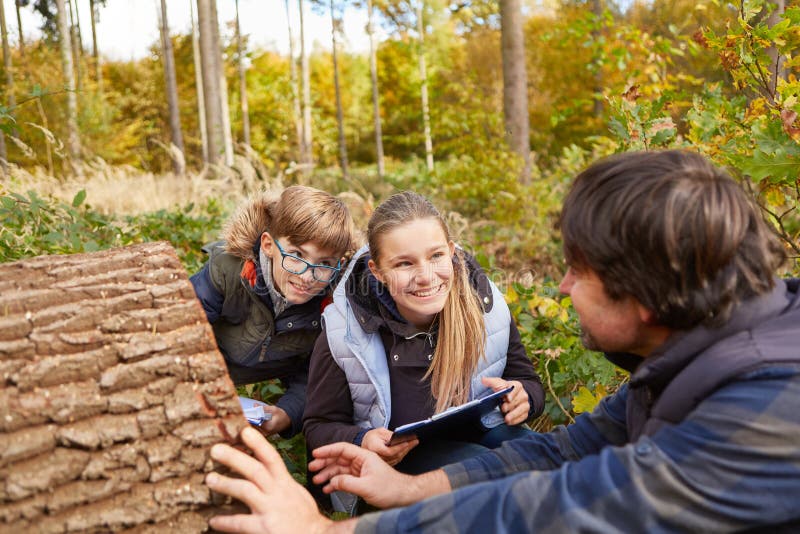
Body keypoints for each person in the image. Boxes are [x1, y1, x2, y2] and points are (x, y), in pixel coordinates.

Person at [204, 150, 800, 533]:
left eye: (578, 269)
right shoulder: (692, 359)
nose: (563, 285)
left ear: (642, 293)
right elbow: (561, 453)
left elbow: (561, 509)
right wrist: (406, 486)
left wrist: (324, 532)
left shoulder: (770, 400)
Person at [302, 191, 545, 484]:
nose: (426, 276)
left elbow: (526, 380)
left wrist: (524, 397)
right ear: (377, 271)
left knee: (540, 458)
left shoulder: (485, 305)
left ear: (452, 252)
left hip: (483, 431)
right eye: (404, 264)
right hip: (398, 466)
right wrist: (361, 438)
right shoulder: (346, 330)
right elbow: (318, 427)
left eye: (436, 256)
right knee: (477, 474)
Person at [191, 185, 355, 438]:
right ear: (268, 244)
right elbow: (183, 333)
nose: (308, 276)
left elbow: (315, 374)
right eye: (297, 255)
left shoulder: (334, 304)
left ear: (340, 264)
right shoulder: (228, 272)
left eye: (324, 264)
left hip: (273, 371)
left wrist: (287, 414)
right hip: (210, 366)